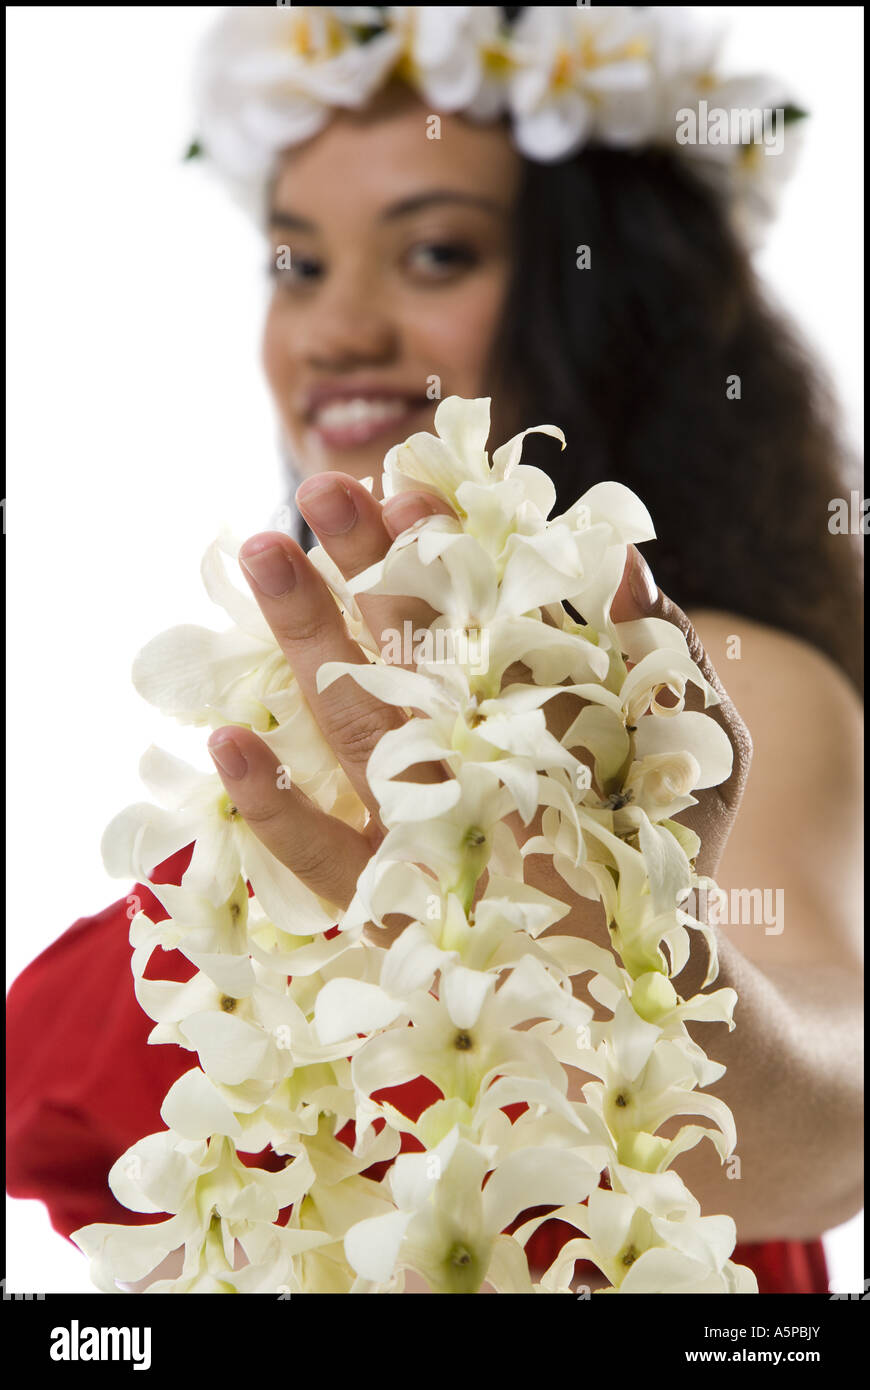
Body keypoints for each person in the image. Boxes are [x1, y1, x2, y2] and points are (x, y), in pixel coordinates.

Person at [7, 7, 862, 1294]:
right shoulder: (277, 727)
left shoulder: (693, 685)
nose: (335, 329)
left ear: (614, 302)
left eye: (435, 253)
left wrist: (621, 960)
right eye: (299, 263)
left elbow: (839, 1129)